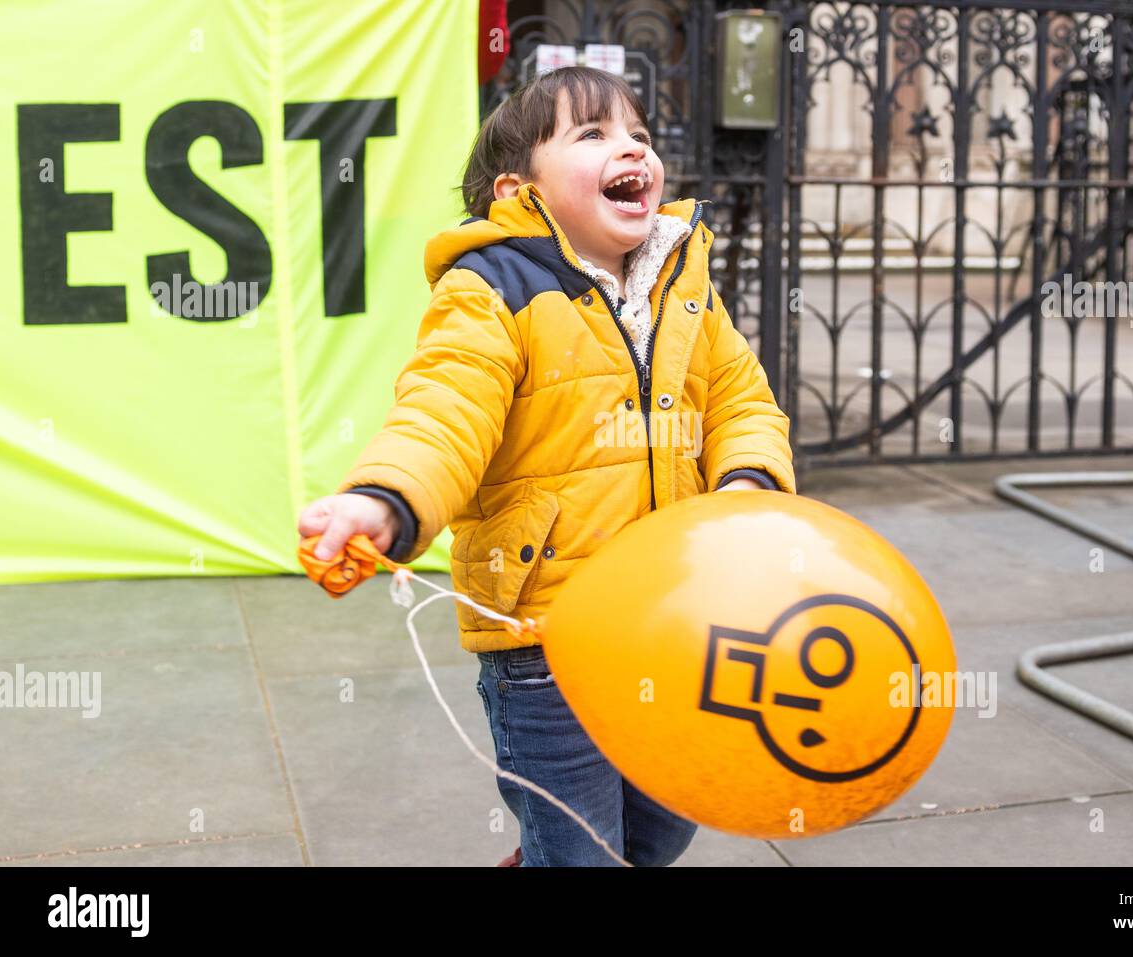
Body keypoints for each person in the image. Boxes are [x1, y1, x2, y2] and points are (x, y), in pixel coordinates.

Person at [296, 66, 796, 866]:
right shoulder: (490, 290)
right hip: (542, 640)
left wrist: (747, 485)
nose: (629, 147)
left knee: (663, 827)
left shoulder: (683, 284)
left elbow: (741, 401)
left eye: (637, 133)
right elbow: (442, 413)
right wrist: (384, 500)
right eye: (592, 135)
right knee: (582, 847)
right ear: (517, 190)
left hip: (676, 619)